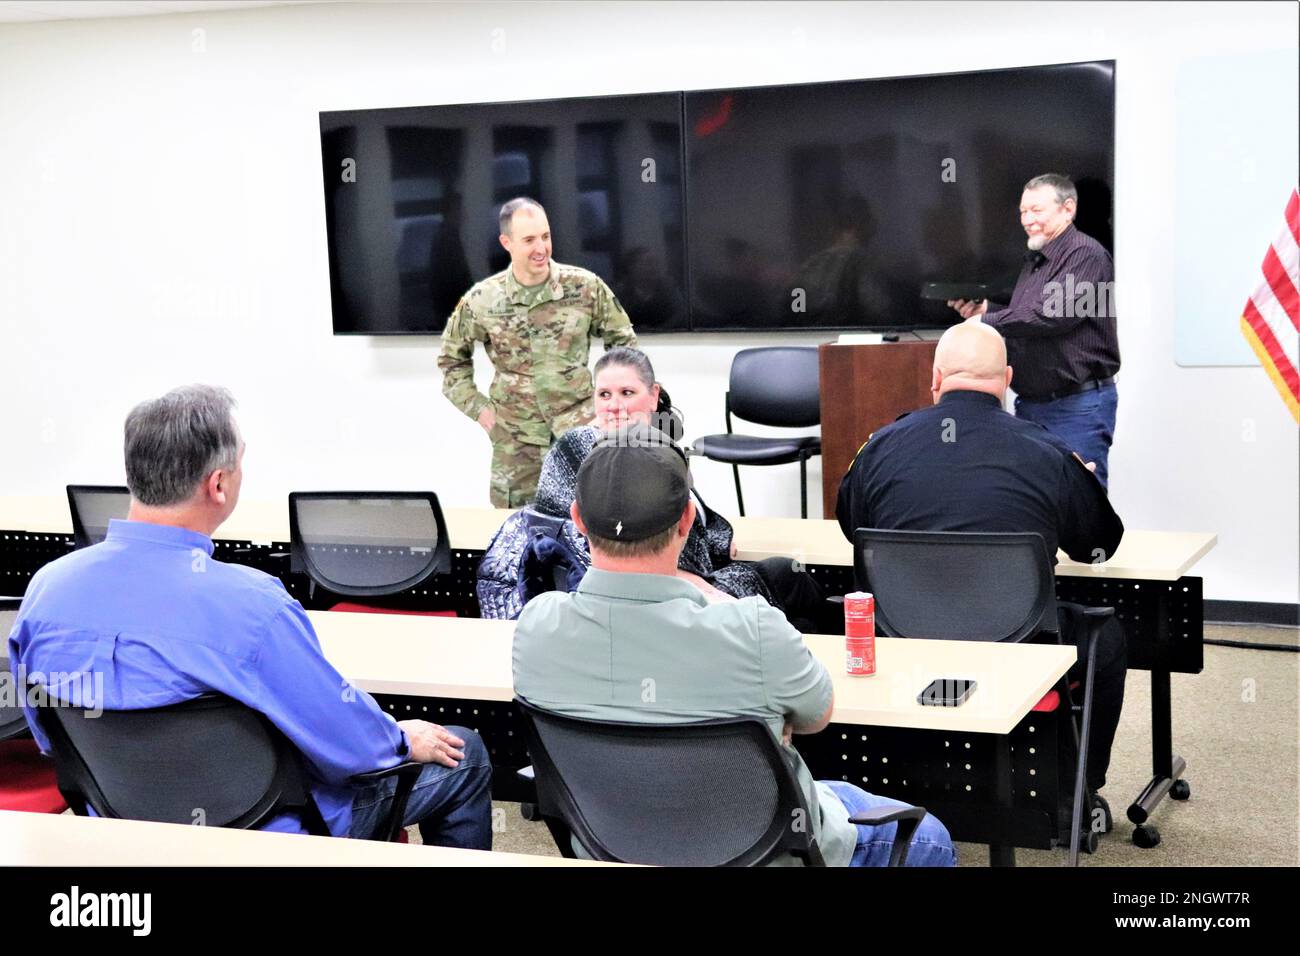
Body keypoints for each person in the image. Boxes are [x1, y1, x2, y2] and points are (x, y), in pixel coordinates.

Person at [7, 386, 492, 846]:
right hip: (273, 827)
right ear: (218, 484)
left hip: (120, 820)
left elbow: (52, 737)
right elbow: (350, 746)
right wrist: (399, 739)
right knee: (464, 754)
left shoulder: (47, 590)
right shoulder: (253, 605)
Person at [513, 422, 956, 867]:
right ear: (688, 519)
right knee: (927, 836)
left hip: (613, 849)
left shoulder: (536, 628)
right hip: (762, 855)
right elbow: (817, 716)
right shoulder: (752, 629)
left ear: (576, 518)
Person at [835, 322, 1126, 829]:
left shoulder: (881, 447)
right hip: (1021, 645)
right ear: (1008, 380)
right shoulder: (1047, 451)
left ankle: (872, 789)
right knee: (1111, 638)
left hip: (903, 639)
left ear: (936, 378)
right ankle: (1078, 791)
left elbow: (849, 526)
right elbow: (1100, 544)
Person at [477, 347, 835, 632]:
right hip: (655, 604)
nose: (614, 406)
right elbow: (598, 554)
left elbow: (694, 516)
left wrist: (713, 539)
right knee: (788, 584)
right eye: (604, 394)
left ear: (653, 396)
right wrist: (707, 590)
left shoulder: (660, 450)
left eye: (626, 393)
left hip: (676, 591)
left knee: (795, 596)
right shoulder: (577, 450)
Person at [437, 197, 639, 507]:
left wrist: (610, 404)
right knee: (517, 537)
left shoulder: (585, 287)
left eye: (545, 236)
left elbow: (624, 346)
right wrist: (482, 411)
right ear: (507, 242)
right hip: (516, 444)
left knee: (591, 527)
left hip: (580, 433)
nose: (541, 248)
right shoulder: (482, 299)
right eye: (529, 239)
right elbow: (452, 364)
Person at [948, 173, 1121, 487]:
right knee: (1036, 498)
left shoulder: (1086, 254)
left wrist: (985, 322)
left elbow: (1052, 316)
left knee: (1081, 501)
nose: (1027, 220)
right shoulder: (1037, 260)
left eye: (1036, 211)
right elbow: (1028, 316)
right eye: (1023, 212)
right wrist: (985, 309)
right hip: (1033, 406)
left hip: (1075, 407)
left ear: (1068, 209)